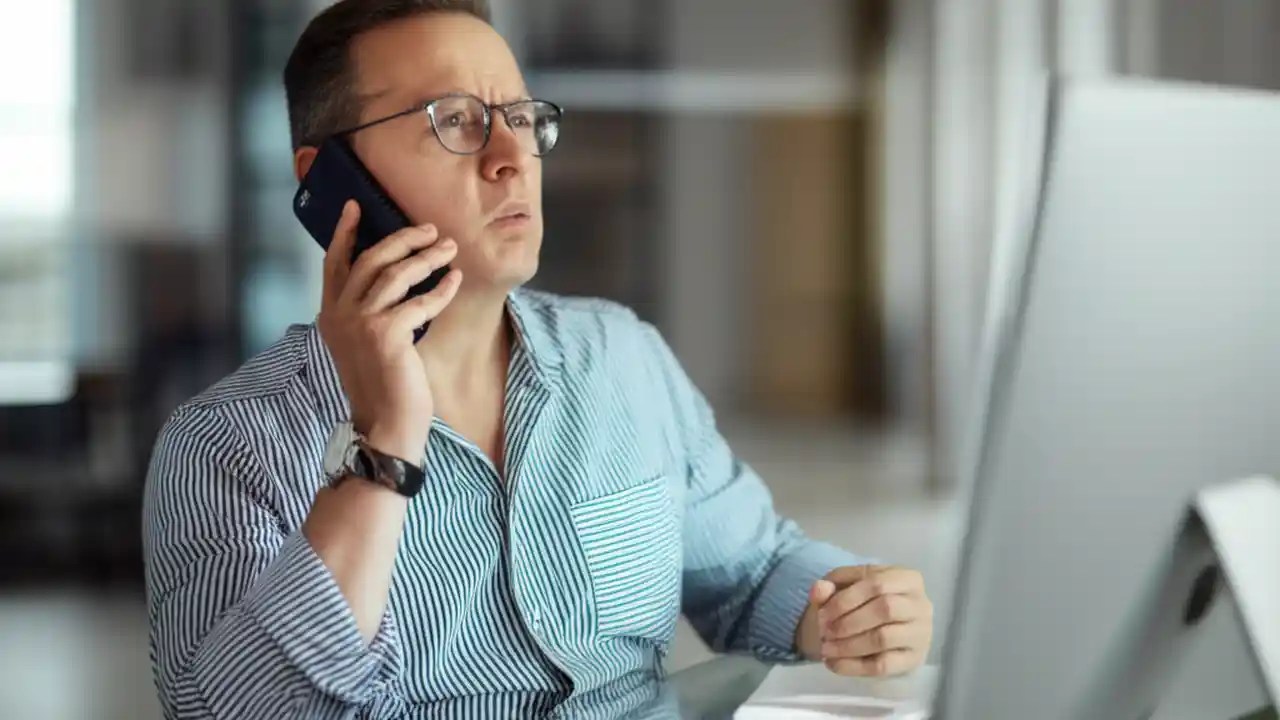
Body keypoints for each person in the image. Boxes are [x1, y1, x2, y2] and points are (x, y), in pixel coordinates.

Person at [141, 1, 934, 717]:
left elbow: (755, 571)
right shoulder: (221, 446)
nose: (512, 155)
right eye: (455, 120)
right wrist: (381, 443)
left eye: (520, 116)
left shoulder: (622, 358)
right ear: (331, 181)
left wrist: (847, 609)